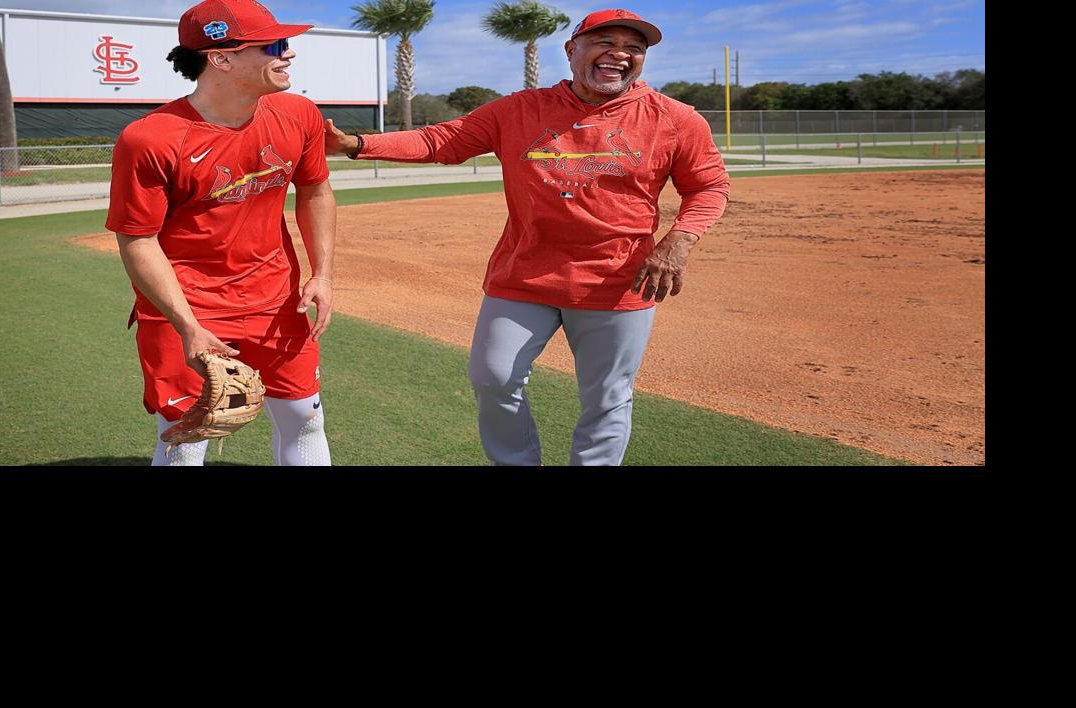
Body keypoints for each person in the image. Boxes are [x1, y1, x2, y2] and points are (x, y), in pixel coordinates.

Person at [326, 8, 729, 466]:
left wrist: (680, 240)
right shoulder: (519, 109)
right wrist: (356, 145)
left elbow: (709, 186)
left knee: (607, 398)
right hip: (525, 273)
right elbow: (444, 139)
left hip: (617, 281)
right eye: (604, 42)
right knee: (492, 377)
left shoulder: (675, 118)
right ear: (571, 50)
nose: (619, 54)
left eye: (634, 48)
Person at [107, 0, 336, 466]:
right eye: (273, 44)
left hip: (275, 301)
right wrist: (187, 326)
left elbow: (315, 192)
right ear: (221, 58)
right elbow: (137, 239)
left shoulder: (298, 114)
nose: (288, 52)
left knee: (305, 418)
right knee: (190, 433)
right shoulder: (150, 138)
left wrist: (323, 274)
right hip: (187, 306)